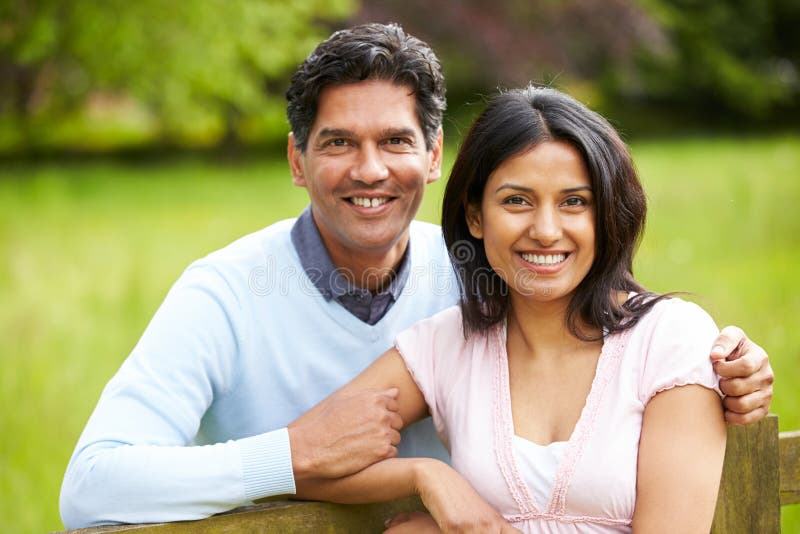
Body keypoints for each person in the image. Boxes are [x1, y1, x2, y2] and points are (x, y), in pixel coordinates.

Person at [59, 23, 773, 529]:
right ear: (296, 161)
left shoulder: (492, 269)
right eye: (339, 142)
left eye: (395, 141)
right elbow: (91, 489)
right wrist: (304, 457)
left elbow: (611, 317)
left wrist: (724, 363)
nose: (370, 170)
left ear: (433, 157)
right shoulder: (223, 293)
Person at [293, 85, 730, 533]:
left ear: (607, 216)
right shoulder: (447, 346)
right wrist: (426, 474)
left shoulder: (669, 339)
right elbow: (302, 461)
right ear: (475, 216)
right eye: (516, 200)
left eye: (574, 202)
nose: (545, 230)